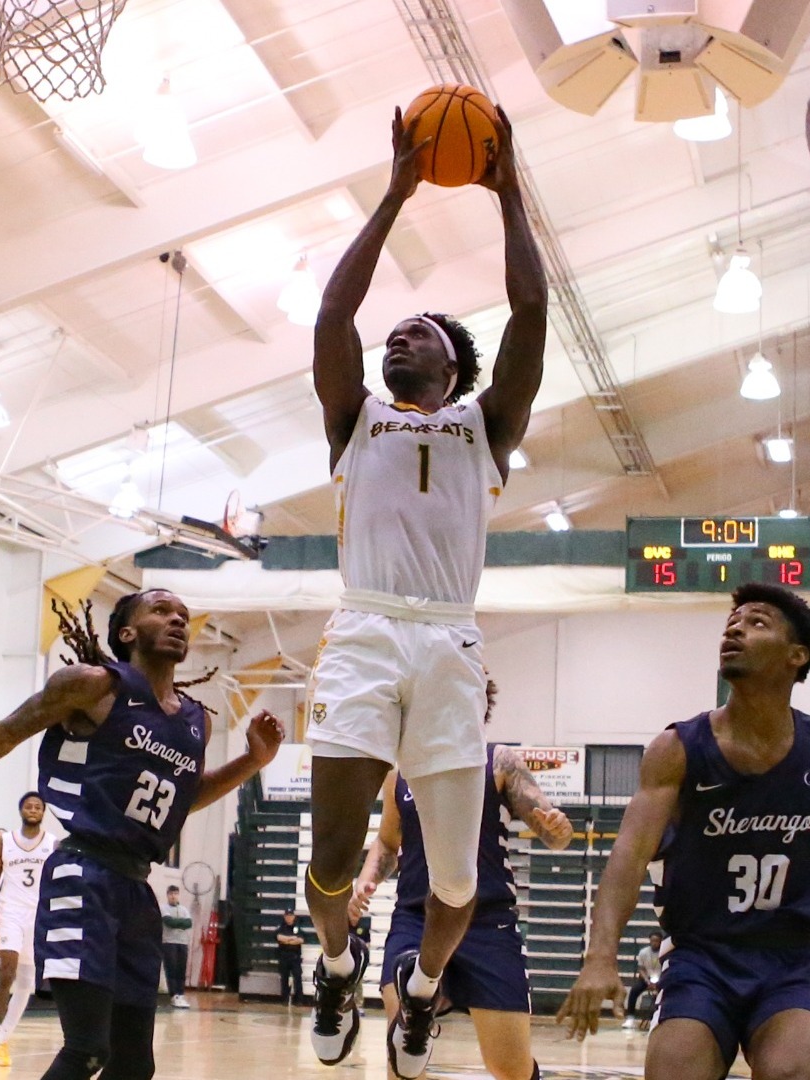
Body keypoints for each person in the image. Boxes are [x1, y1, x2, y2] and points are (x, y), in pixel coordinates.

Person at [304, 99, 546, 1080]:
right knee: (328, 855)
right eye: (393, 332)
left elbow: (531, 310)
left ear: (453, 362)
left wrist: (510, 193)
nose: (396, 338)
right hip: (365, 630)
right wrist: (397, 194)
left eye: (416, 333)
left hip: (448, 641)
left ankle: (419, 992)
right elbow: (333, 316)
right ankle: (334, 962)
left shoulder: (486, 425)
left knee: (457, 885)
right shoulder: (354, 418)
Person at [0, 589, 284, 1080]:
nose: (177, 620)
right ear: (127, 632)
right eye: (162, 611)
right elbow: (2, 735)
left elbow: (183, 800)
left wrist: (252, 761)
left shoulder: (196, 720)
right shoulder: (95, 685)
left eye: (184, 615)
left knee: (135, 1064)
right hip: (83, 874)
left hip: (136, 889)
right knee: (87, 1049)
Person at [558, 584, 810, 1080]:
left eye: (757, 622)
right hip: (699, 955)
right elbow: (631, 853)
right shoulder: (678, 747)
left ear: (796, 656)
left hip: (790, 960)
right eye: (732, 622)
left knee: (790, 1071)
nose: (736, 628)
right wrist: (599, 958)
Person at [350, 743, 575, 1080]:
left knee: (509, 1067)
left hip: (486, 920)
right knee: (404, 1062)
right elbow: (387, 841)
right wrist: (365, 880)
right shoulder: (401, 772)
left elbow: (555, 834)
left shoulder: (498, 762)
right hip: (416, 918)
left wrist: (559, 829)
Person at [0, 792, 59, 1068]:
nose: (33, 809)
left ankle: (2, 1040)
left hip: (39, 916)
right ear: (21, 810)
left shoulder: (53, 844)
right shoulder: (4, 841)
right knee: (7, 973)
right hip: (10, 911)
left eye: (38, 806)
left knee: (26, 984)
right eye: (28, 805)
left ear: (43, 812)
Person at [161, 885, 194, 1010]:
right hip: (169, 942)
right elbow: (169, 922)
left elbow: (189, 923)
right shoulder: (164, 908)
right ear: (168, 895)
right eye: (171, 894)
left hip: (182, 943)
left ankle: (181, 994)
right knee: (171, 968)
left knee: (181, 969)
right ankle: (173, 994)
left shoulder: (184, 909)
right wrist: (180, 923)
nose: (173, 896)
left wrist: (178, 923)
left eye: (175, 893)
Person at [626, 931, 664, 1029]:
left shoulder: (664, 952)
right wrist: (648, 981)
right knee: (634, 991)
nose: (654, 943)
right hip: (647, 978)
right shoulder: (643, 952)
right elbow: (641, 969)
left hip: (662, 978)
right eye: (652, 940)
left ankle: (660, 1018)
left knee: (664, 994)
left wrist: (658, 982)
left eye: (656, 941)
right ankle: (630, 1018)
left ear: (660, 941)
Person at [275, 913, 306, 1007]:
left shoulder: (297, 928)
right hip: (284, 957)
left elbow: (301, 940)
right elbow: (279, 937)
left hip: (295, 958)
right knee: (284, 978)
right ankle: (284, 999)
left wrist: (286, 940)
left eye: (291, 915)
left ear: (294, 917)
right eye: (287, 916)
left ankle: (298, 1000)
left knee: (297, 978)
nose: (289, 918)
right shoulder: (281, 927)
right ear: (284, 917)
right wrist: (292, 938)